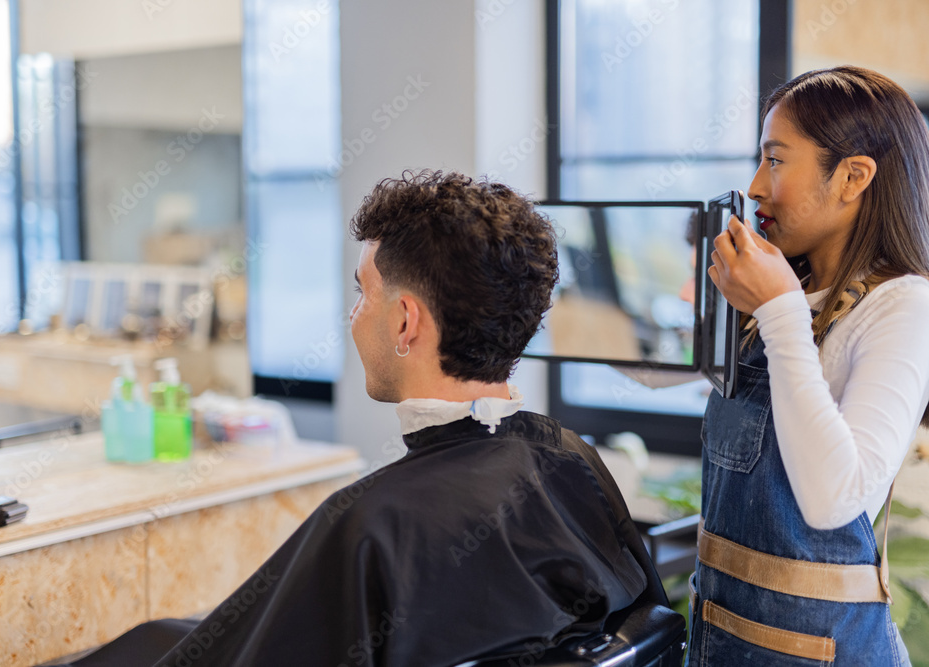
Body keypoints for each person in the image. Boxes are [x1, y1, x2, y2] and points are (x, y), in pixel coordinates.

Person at [57, 170, 668, 667]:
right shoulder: (572, 462)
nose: (353, 316)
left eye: (361, 293)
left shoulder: (368, 525)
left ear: (405, 322)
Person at [687, 66, 929, 666]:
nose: (755, 185)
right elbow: (660, 370)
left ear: (853, 176)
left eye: (775, 160)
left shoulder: (902, 305)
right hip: (721, 637)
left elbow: (833, 498)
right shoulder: (782, 292)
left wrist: (779, 311)